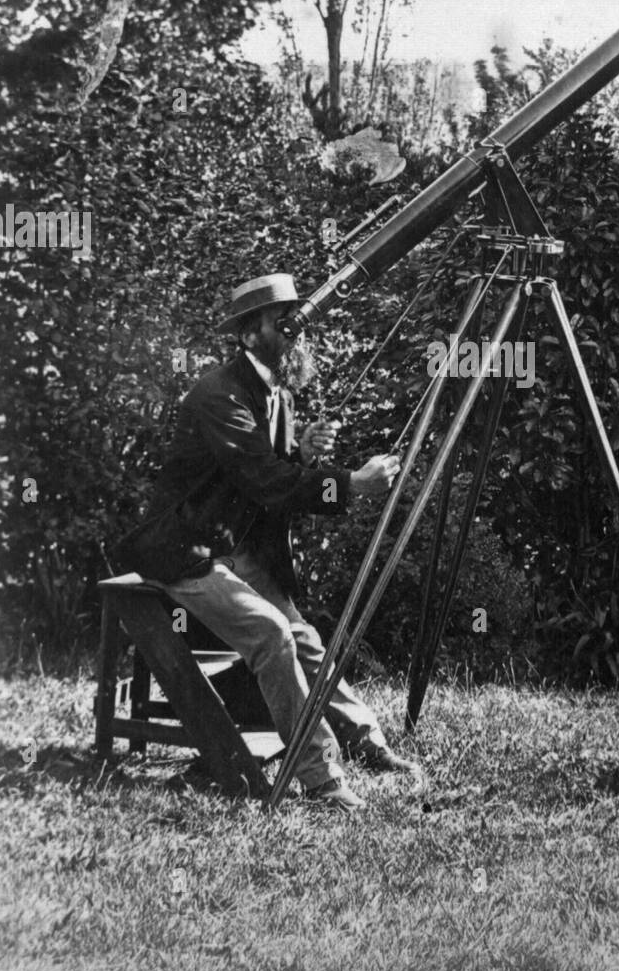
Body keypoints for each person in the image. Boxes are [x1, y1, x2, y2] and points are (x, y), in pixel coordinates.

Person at [117, 272, 418, 813]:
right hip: (183, 551)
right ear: (249, 333)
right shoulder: (217, 394)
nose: (298, 335)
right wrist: (350, 483)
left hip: (232, 549)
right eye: (286, 324)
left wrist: (301, 451)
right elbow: (266, 482)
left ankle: (366, 740)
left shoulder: (274, 390)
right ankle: (321, 778)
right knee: (273, 633)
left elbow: (268, 475)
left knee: (305, 640)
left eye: (299, 324)